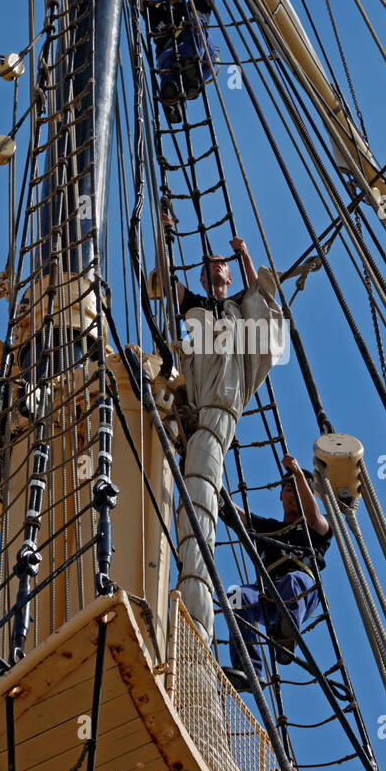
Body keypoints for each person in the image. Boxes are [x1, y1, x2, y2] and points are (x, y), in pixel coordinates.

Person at [154, 213, 284, 648]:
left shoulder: (242, 307)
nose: (215, 270)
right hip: (201, 397)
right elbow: (164, 284)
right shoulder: (193, 302)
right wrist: (165, 233)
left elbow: (262, 300)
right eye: (210, 267)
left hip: (224, 399)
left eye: (221, 266)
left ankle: (197, 632)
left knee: (250, 315)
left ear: (228, 273)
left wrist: (246, 255)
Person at [220, 456, 331, 693]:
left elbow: (314, 518)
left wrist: (300, 476)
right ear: (280, 496)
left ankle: (286, 632)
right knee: (236, 596)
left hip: (302, 592)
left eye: (301, 490)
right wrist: (213, 487)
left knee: (293, 580)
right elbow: (236, 516)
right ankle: (248, 670)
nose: (294, 494)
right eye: (289, 489)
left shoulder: (318, 529)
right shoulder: (268, 529)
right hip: (269, 594)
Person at [146, 0, 220, 124]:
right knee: (167, 71)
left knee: (194, 21)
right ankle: (175, 100)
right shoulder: (155, 12)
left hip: (201, 59)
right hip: (170, 60)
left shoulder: (195, 3)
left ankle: (190, 70)